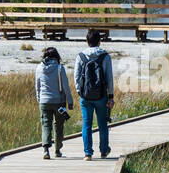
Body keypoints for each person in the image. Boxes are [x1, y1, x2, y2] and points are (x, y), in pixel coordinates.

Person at [75, 28, 115, 160]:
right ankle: (103, 151)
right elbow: (109, 78)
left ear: (87, 41)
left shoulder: (80, 56)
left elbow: (76, 76)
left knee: (87, 124)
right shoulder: (105, 56)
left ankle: (88, 153)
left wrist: (80, 91)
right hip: (101, 95)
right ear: (99, 41)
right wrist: (111, 96)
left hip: (85, 96)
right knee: (102, 124)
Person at [35, 46, 74, 159]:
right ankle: (57, 150)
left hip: (44, 101)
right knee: (59, 126)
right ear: (57, 56)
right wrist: (70, 101)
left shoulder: (39, 68)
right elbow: (66, 87)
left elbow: (37, 86)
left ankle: (46, 150)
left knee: (46, 125)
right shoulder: (59, 68)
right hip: (59, 102)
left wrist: (39, 99)